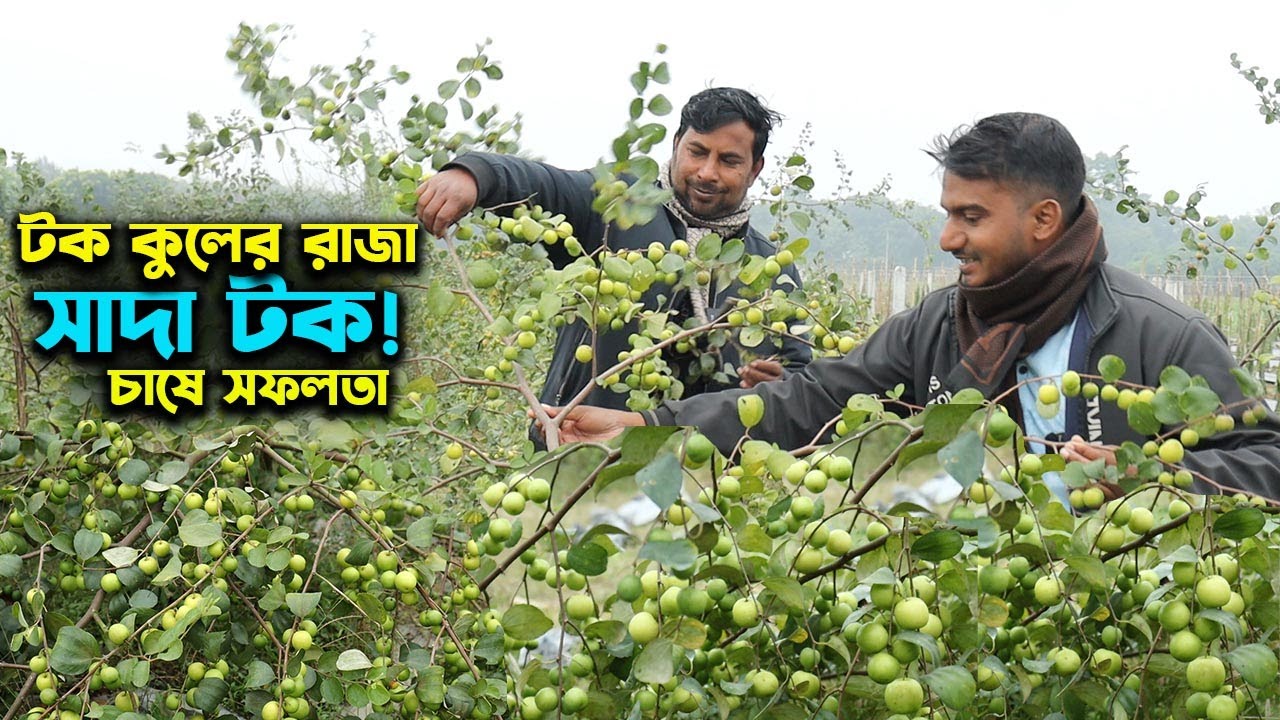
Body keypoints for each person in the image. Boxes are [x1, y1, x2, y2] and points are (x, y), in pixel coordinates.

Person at [541, 112, 1280, 500]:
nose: (947, 237)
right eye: (947, 212)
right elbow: (814, 399)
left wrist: (1157, 477)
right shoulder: (939, 324)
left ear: (1044, 220)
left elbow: (1267, 461)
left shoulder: (1160, 337)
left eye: (970, 216)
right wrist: (645, 424)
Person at [415, 87, 812, 422]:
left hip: (701, 480)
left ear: (755, 169)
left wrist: (779, 386)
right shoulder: (619, 206)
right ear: (676, 147)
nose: (707, 172)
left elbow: (802, 379)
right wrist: (473, 175)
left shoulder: (769, 270)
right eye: (697, 151)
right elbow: (547, 185)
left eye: (729, 161)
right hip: (579, 454)